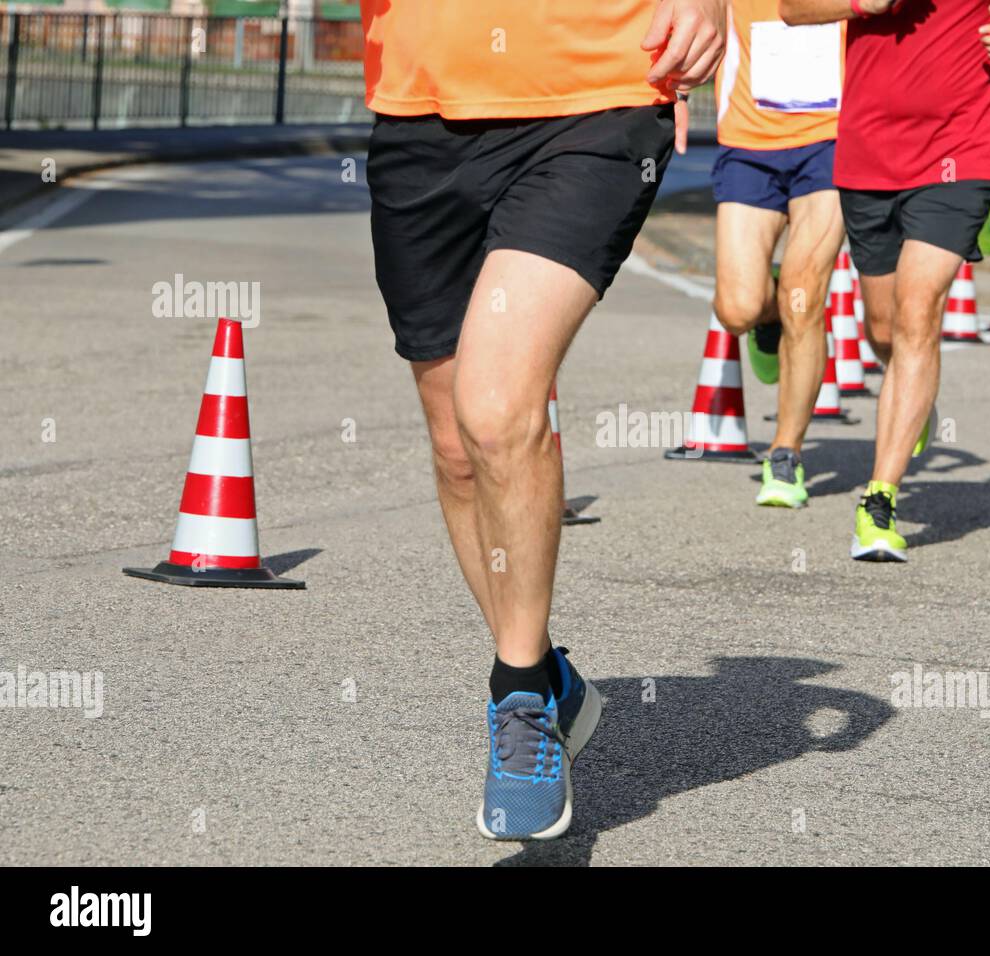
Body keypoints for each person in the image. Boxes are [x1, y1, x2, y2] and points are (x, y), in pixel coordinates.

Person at [358, 0, 725, 841]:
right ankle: (551, 677)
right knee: (457, 446)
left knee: (495, 409)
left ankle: (518, 695)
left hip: (597, 92)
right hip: (420, 105)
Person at [780, 0, 990, 562]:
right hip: (868, 151)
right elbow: (791, 9)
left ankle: (879, 500)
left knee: (918, 311)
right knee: (886, 329)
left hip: (959, 151)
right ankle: (915, 400)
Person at [710, 0, 846, 508]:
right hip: (748, 141)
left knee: (803, 295)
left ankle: (785, 451)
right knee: (738, 308)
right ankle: (768, 318)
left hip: (832, 137)